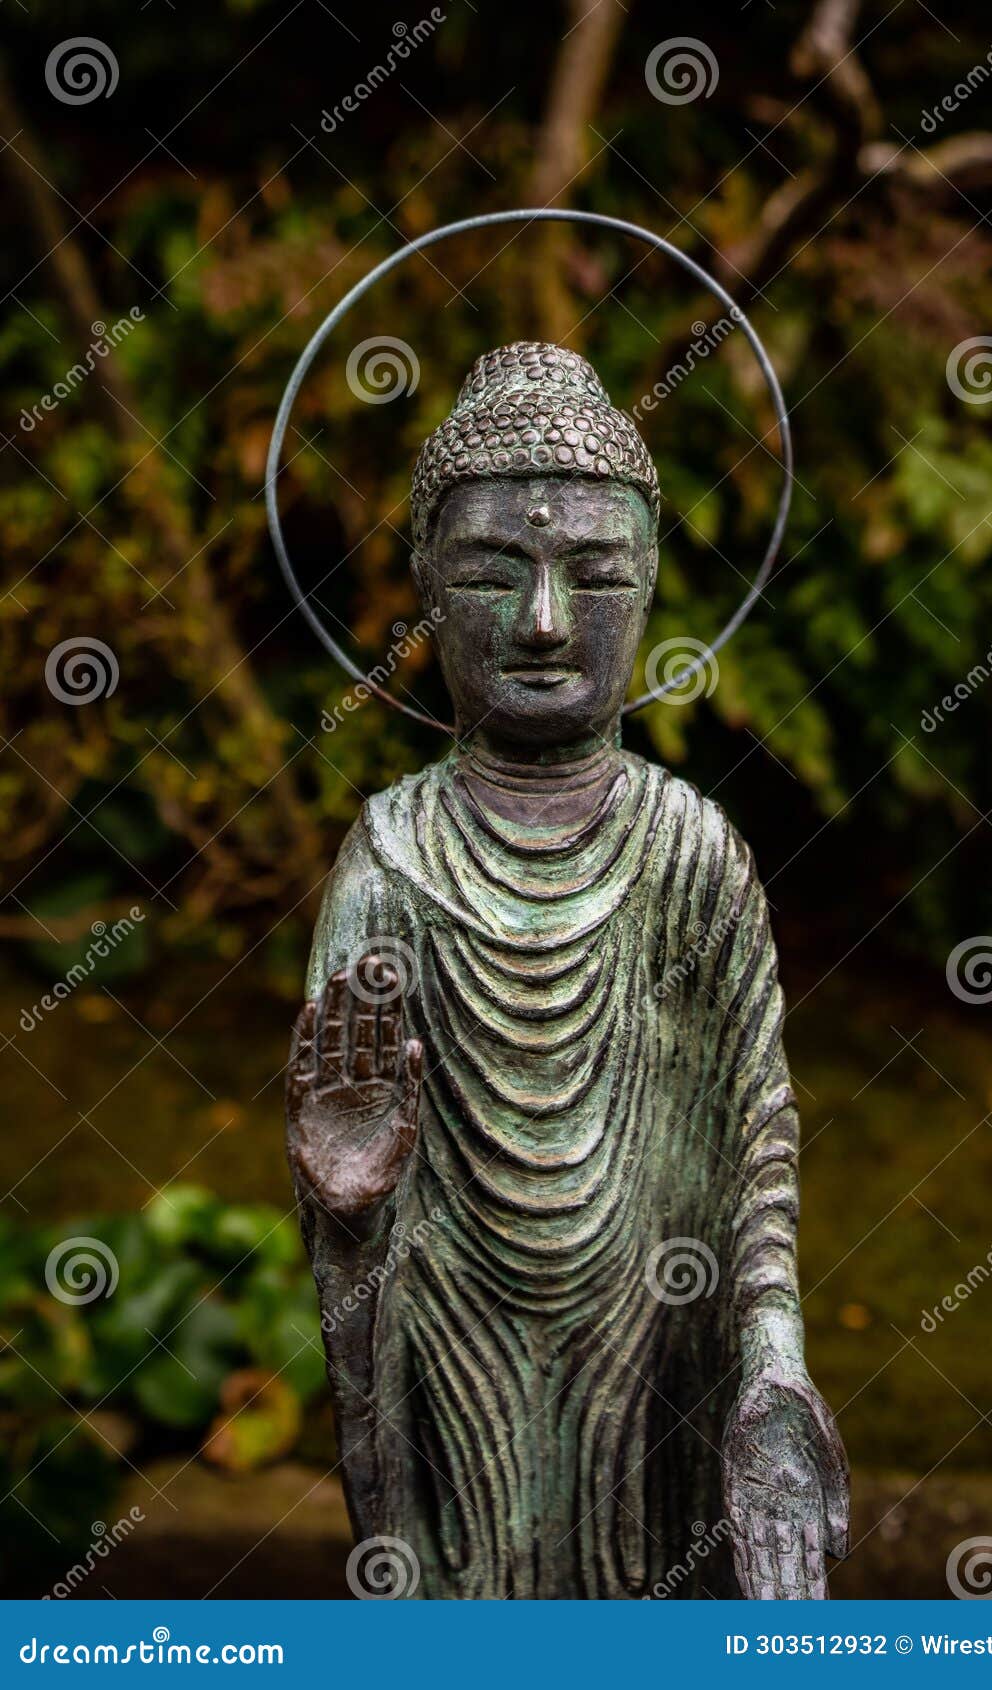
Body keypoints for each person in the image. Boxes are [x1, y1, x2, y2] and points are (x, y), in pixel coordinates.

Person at [287, 342, 847, 1599]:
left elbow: (755, 1138)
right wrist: (351, 1209)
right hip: (452, 1363)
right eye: (492, 573)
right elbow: (347, 1161)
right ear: (429, 591)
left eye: (592, 575)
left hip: (657, 1354)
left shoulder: (691, 850)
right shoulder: (389, 855)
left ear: (646, 588)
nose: (542, 623)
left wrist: (769, 1365)